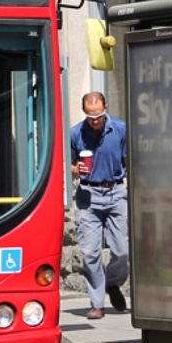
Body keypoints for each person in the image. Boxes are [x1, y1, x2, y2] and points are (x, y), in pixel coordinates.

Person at [69, 92, 129, 319]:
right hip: (87, 194)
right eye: (91, 116)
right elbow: (69, 164)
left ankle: (112, 283)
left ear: (106, 108)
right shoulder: (76, 133)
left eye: (99, 116)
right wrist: (76, 170)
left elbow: (128, 159)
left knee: (122, 249)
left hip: (115, 191)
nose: (95, 121)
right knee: (90, 252)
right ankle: (97, 303)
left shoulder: (120, 129)